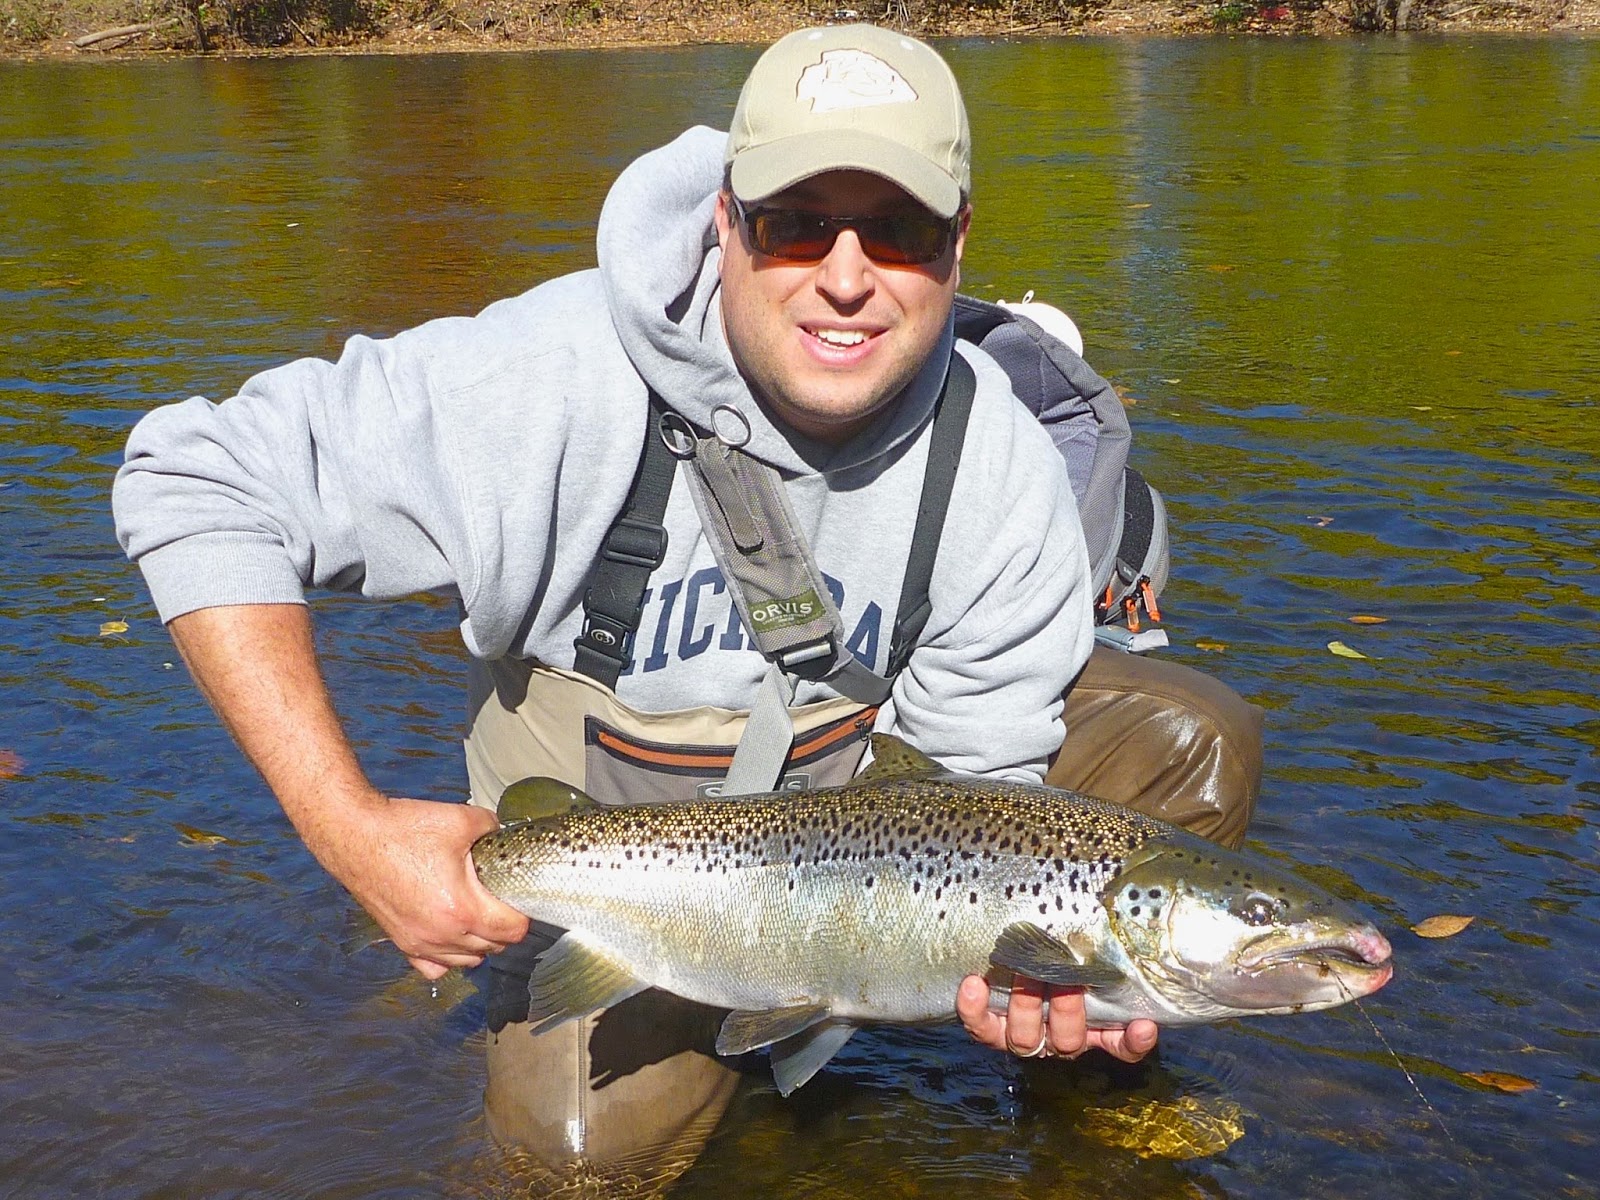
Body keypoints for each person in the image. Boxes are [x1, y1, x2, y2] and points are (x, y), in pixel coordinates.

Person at [113, 23, 1261, 1192]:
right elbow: (193, 479)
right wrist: (349, 827)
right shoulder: (545, 377)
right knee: (573, 1167)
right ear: (725, 221)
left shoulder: (1001, 463)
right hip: (610, 868)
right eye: (796, 222)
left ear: (957, 246)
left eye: (899, 231)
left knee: (1191, 739)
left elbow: (979, 791)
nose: (846, 276)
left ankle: (1083, 1080)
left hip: (861, 837)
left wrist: (1023, 978)